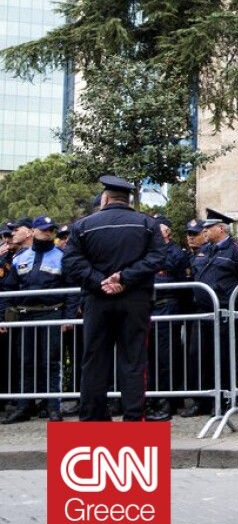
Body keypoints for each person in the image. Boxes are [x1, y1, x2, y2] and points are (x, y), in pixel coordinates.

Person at [63, 176, 166, 422]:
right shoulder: (147, 224)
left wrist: (100, 281)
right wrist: (124, 278)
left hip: (97, 301)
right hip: (135, 301)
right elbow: (157, 258)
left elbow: (71, 263)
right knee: (133, 360)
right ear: (129, 200)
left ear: (105, 198)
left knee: (94, 360)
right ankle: (133, 418)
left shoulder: (83, 225)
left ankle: (92, 419)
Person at [0, 216, 78, 423]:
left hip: (51, 313)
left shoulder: (61, 256)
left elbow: (72, 291)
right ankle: (24, 407)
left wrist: (68, 318)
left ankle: (54, 408)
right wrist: (3, 316)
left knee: (51, 362)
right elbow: (8, 289)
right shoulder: (19, 257)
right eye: (43, 230)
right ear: (33, 232)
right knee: (25, 362)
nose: (48, 233)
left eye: (50, 230)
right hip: (26, 315)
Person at [183, 209, 238, 417]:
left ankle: (223, 400)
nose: (204, 231)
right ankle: (201, 400)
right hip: (203, 313)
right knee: (199, 357)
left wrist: (231, 305)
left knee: (223, 357)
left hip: (224, 314)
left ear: (220, 229)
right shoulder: (205, 250)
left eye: (208, 227)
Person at [149, 216, 191, 420]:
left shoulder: (175, 253)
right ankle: (155, 398)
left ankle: (169, 401)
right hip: (150, 308)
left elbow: (183, 284)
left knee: (167, 357)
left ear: (167, 232)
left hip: (168, 307)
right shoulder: (147, 252)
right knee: (151, 357)